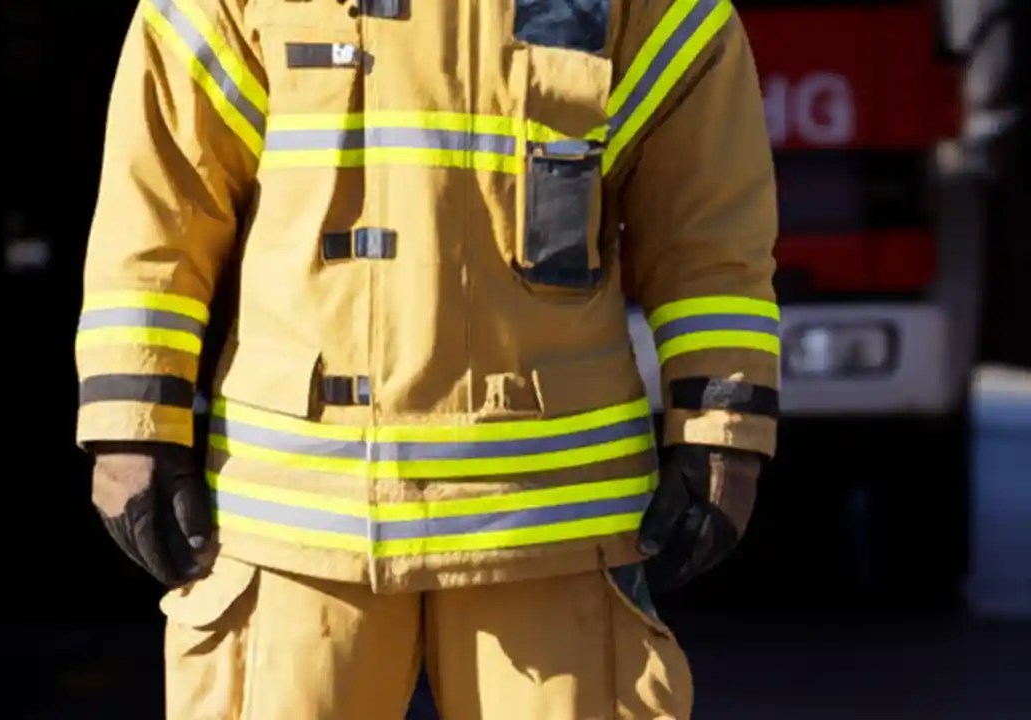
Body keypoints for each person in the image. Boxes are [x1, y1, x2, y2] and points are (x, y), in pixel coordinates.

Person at [76, 0, 778, 717]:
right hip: (304, 523)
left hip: (543, 525)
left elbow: (709, 240)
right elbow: (160, 208)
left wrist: (722, 430)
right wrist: (133, 427)